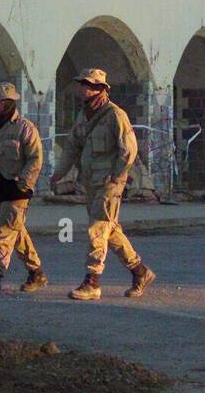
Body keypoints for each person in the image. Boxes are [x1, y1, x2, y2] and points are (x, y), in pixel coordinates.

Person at [50, 68, 157, 300]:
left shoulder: (115, 115)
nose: (83, 88)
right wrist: (59, 173)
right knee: (110, 231)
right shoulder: (83, 116)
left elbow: (129, 150)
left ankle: (92, 281)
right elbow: (72, 147)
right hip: (91, 182)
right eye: (82, 84)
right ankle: (140, 271)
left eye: (88, 84)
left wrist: (118, 176)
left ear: (100, 89)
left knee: (97, 228)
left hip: (109, 183)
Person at [0, 82, 47, 295]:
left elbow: (35, 159)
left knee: (4, 232)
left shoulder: (25, 128)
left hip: (16, 190)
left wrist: (23, 184)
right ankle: (36, 272)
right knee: (17, 232)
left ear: (10, 103)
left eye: (1, 102)